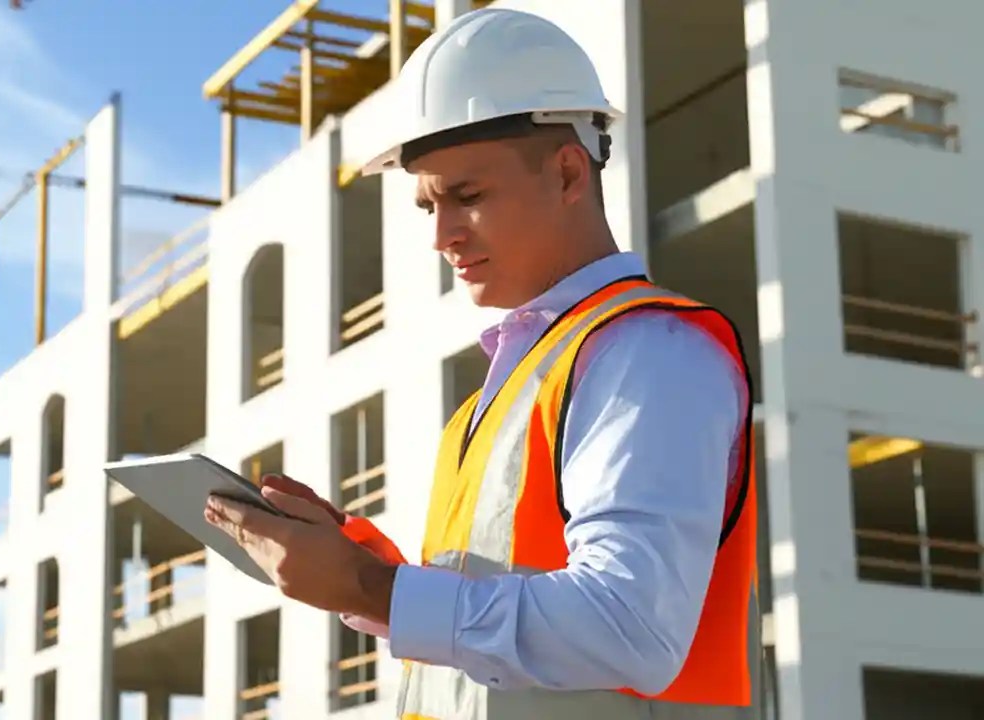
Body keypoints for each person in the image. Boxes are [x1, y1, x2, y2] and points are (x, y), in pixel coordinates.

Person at [205, 7, 760, 719]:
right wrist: (364, 573)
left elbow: (631, 627)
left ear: (566, 174)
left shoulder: (649, 353)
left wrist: (372, 591)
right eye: (427, 206)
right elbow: (487, 639)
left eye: (466, 197)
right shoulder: (501, 397)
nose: (441, 236)